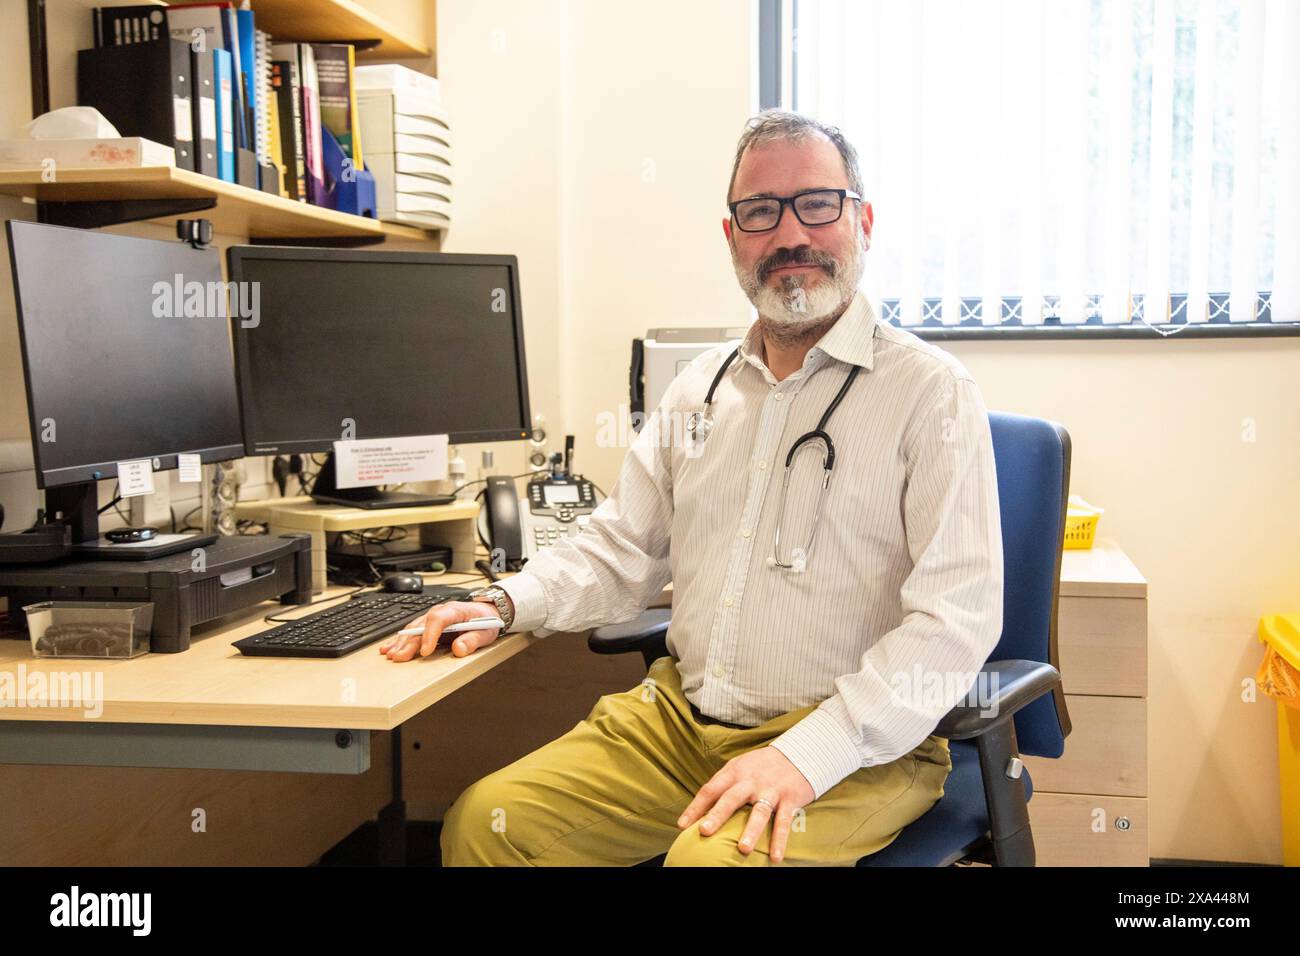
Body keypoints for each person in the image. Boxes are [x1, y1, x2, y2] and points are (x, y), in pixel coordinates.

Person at [380, 110, 1004, 866]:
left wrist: (811, 753)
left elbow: (955, 621)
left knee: (710, 863)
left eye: (816, 203)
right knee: (485, 825)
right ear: (732, 236)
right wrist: (505, 603)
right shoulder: (698, 392)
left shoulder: (930, 394)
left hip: (857, 749)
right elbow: (621, 549)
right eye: (759, 212)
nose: (788, 235)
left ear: (862, 221)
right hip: (678, 726)